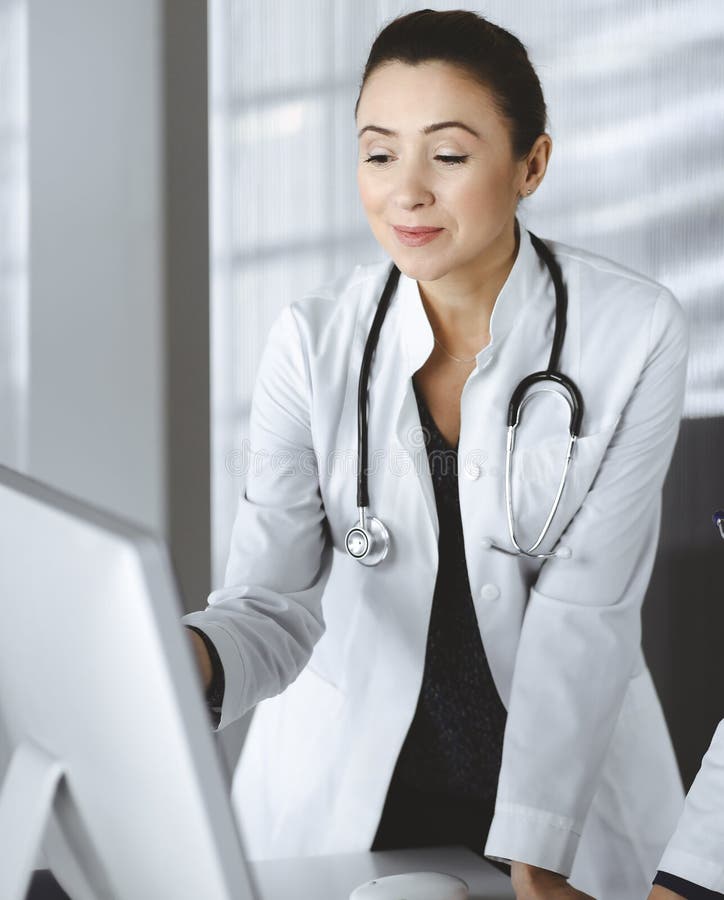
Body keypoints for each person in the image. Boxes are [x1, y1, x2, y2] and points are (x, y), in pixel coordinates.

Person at [184, 10, 689, 899]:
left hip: (561, 803)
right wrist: (188, 656)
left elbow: (587, 608)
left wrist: (537, 858)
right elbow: (270, 605)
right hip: (348, 806)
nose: (406, 192)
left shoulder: (631, 330)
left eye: (448, 155)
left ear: (532, 165)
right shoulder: (311, 342)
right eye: (379, 154)